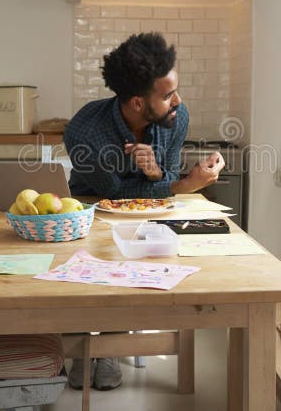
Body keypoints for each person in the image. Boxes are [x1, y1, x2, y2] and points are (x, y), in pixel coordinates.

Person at [63, 31, 224, 390]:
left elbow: (160, 181)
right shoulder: (84, 131)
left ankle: (109, 343)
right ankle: (77, 346)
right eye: (167, 95)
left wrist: (160, 175)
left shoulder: (176, 119)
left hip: (146, 213)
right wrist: (180, 185)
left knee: (140, 259)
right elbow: (112, 195)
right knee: (84, 264)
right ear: (137, 103)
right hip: (89, 211)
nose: (178, 101)